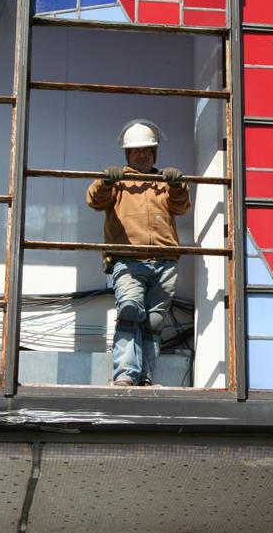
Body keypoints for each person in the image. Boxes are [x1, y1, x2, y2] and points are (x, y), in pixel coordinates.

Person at [86, 119, 191, 387]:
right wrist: (106, 181)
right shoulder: (118, 181)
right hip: (128, 261)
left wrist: (177, 185)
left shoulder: (163, 182)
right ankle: (124, 375)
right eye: (136, 151)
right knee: (130, 311)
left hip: (164, 261)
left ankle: (144, 377)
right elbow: (94, 201)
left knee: (153, 321)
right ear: (127, 155)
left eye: (147, 150)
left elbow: (181, 207)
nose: (142, 155)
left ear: (154, 153)